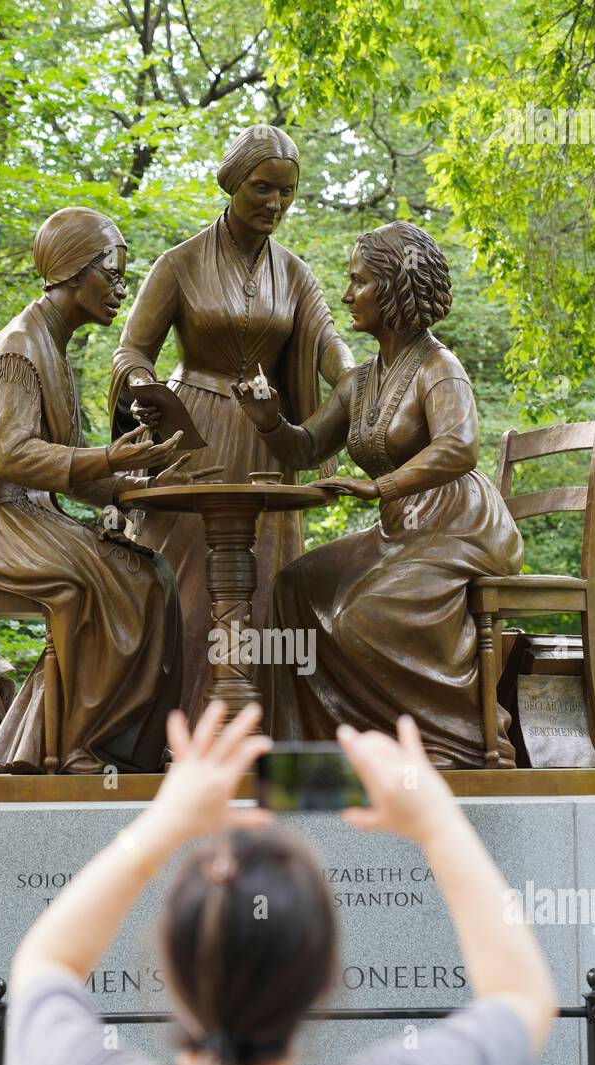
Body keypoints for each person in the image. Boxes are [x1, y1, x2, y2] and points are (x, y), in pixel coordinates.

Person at [7, 700, 557, 1065]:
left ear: (167, 964)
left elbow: (46, 962)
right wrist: (439, 823)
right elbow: (520, 995)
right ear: (324, 977)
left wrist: (164, 823)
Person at [233, 220, 524, 767]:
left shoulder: (441, 367)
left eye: (359, 281)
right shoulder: (362, 380)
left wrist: (377, 486)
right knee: (294, 587)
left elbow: (460, 449)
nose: (347, 294)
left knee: (362, 617)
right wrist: (270, 422)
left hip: (457, 525)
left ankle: (446, 741)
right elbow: (304, 448)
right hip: (399, 528)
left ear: (392, 291)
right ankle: (310, 750)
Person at [0, 207, 189, 774]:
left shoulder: (54, 348)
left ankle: (120, 742)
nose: (121, 290)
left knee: (153, 574)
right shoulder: (20, 346)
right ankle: (71, 746)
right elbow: (13, 455)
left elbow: (68, 469)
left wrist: (129, 481)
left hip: (19, 513)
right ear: (72, 271)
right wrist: (113, 457)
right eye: (112, 275)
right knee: (94, 580)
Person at [109, 124, 355, 726]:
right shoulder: (179, 263)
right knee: (183, 587)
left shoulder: (296, 276)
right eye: (262, 187)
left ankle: (253, 729)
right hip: (189, 437)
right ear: (233, 182)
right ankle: (174, 731)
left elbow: (331, 346)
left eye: (287, 192)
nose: (274, 203)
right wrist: (142, 386)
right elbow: (131, 351)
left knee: (265, 586)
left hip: (266, 440)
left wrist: (357, 377)